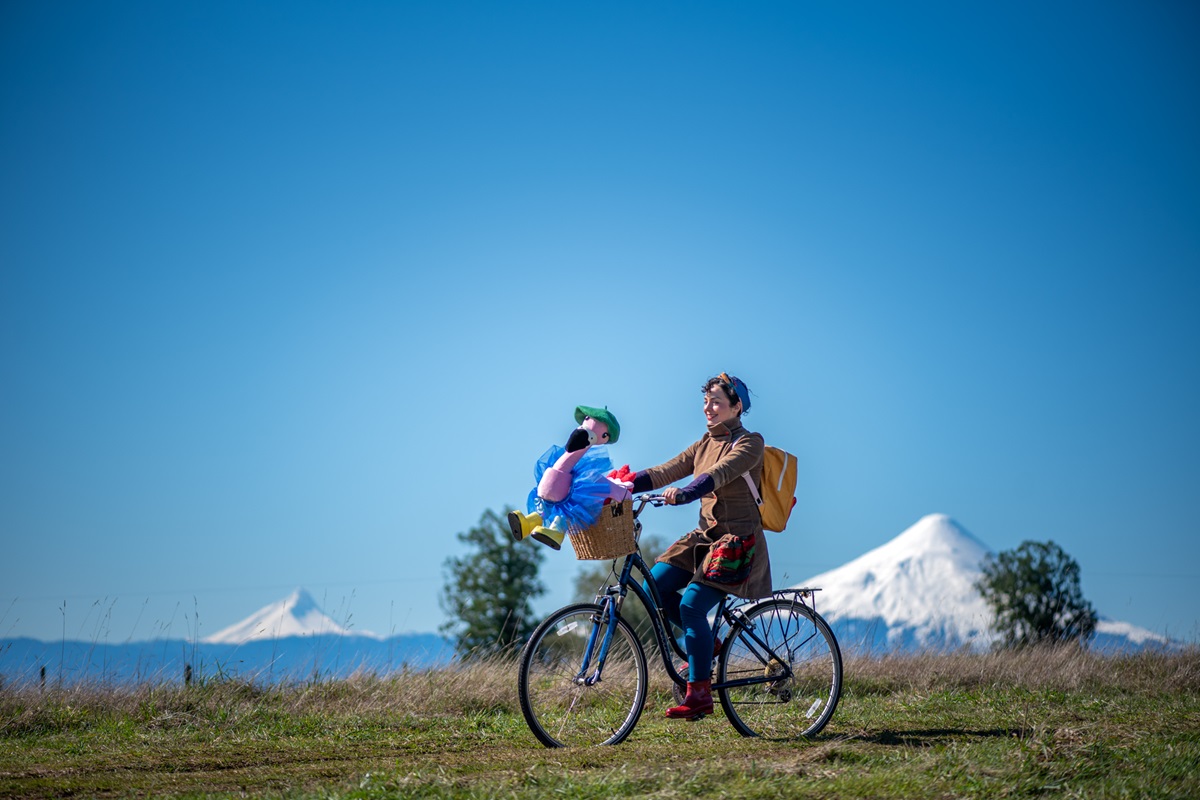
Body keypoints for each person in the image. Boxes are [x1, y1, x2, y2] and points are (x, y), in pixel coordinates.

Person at [619, 373, 771, 720]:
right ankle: (706, 646)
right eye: (706, 402)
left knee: (690, 607)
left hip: (737, 542)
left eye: (716, 402)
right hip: (704, 537)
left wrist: (688, 493)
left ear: (737, 407)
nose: (708, 408)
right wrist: (624, 483)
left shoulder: (750, 443)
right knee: (653, 586)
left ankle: (700, 694)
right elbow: (665, 471)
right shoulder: (702, 443)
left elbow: (718, 474)